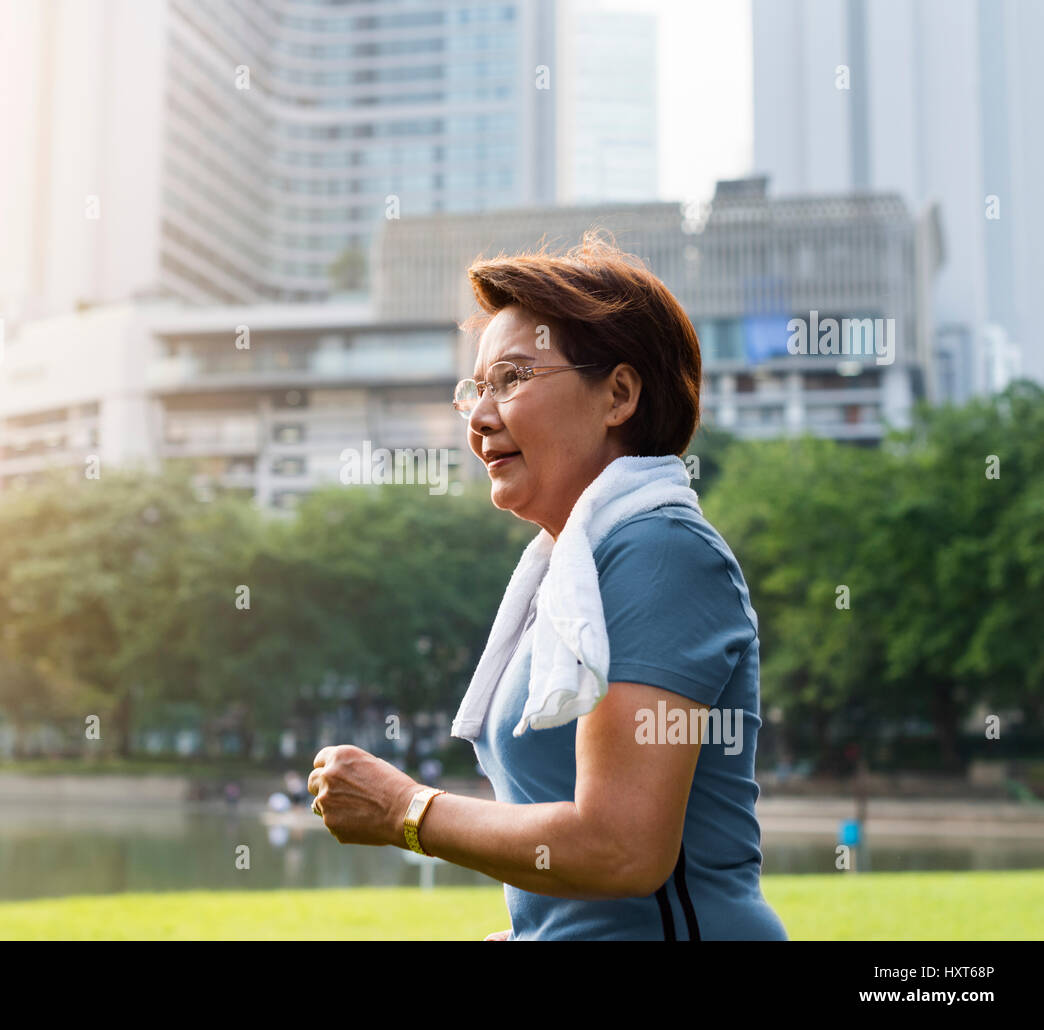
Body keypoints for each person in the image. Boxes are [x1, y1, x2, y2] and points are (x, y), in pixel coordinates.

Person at [307, 230, 788, 941]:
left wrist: (406, 811)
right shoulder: (570, 577)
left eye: (512, 379)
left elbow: (620, 849)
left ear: (618, 394)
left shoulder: (661, 553)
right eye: (475, 388)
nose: (478, 417)